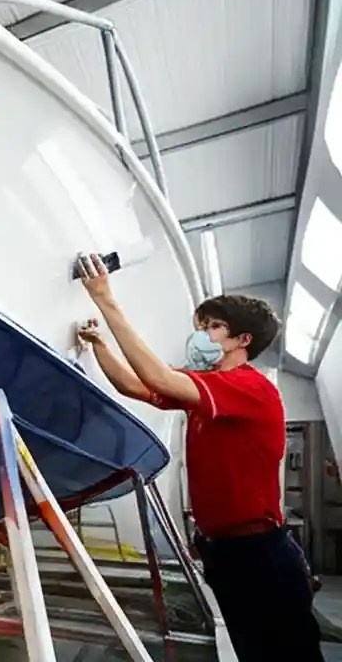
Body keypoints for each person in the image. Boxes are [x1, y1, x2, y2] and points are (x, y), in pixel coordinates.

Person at [73, 252, 321, 661]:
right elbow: (137, 387)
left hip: (261, 555)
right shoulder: (205, 392)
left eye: (214, 327)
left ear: (244, 340)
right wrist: (99, 345)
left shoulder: (249, 389)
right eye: (202, 327)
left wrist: (106, 300)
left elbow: (157, 377)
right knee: (252, 652)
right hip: (224, 553)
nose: (202, 335)